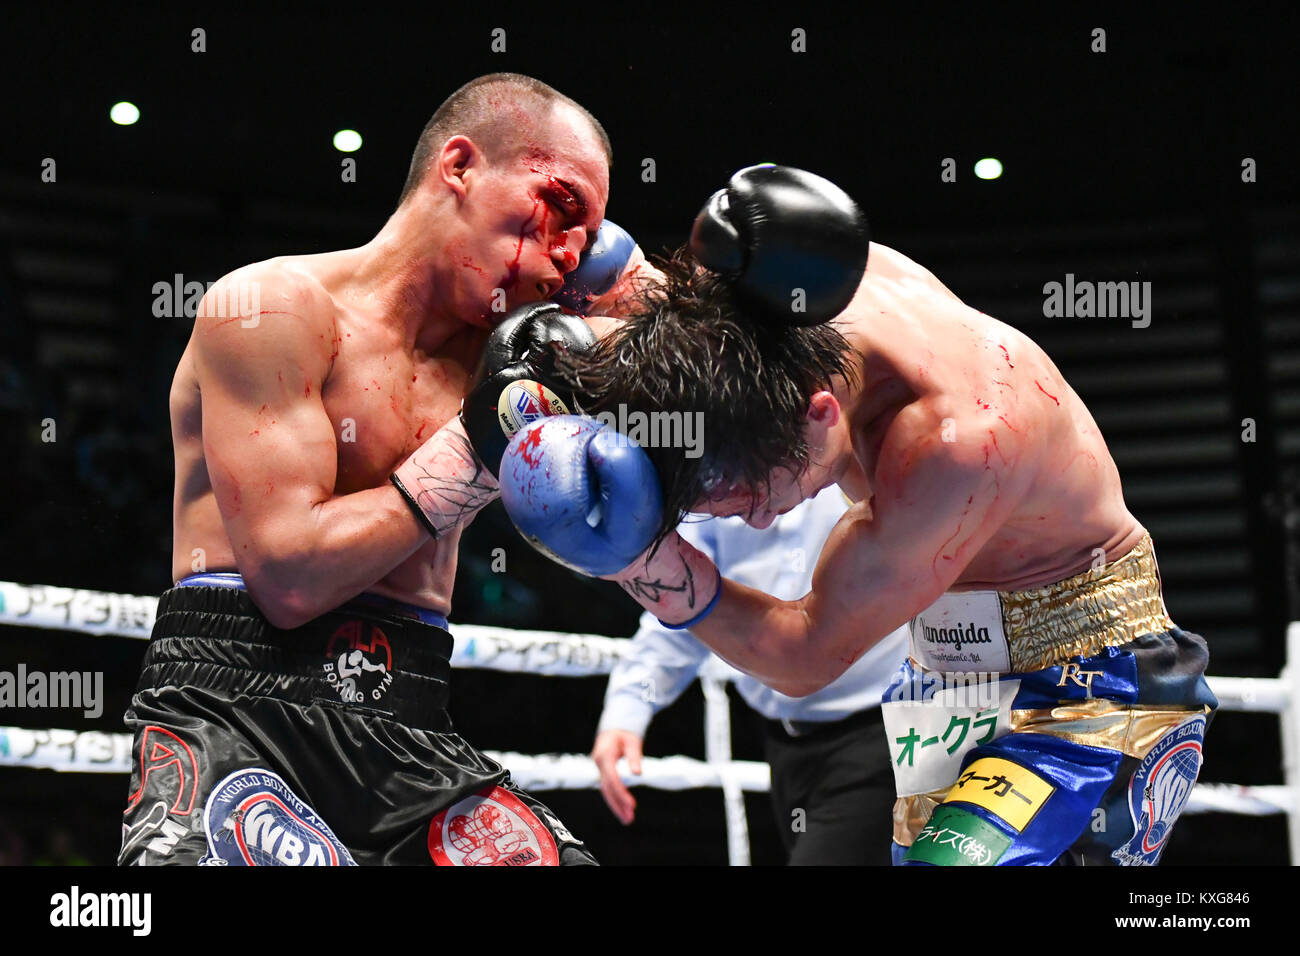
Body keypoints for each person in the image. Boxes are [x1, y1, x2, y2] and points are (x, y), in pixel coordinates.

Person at [496, 164, 1218, 866]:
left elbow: (806, 653)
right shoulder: (772, 295)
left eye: (757, 497)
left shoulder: (955, 444)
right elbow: (680, 323)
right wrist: (599, 280)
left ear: (819, 416)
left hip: (1084, 687)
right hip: (943, 681)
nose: (752, 524)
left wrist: (638, 560)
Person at [118, 72, 616, 866]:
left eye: (584, 237)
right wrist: (481, 444)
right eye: (559, 209)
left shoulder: (515, 358)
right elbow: (288, 581)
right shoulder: (271, 308)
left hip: (410, 723)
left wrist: (645, 298)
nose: (564, 256)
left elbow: (717, 418)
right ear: (459, 166)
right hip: (236, 708)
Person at [592, 486, 907, 864]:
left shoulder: (860, 468)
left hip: (879, 737)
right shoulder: (717, 478)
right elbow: (681, 598)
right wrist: (629, 708)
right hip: (783, 746)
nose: (756, 517)